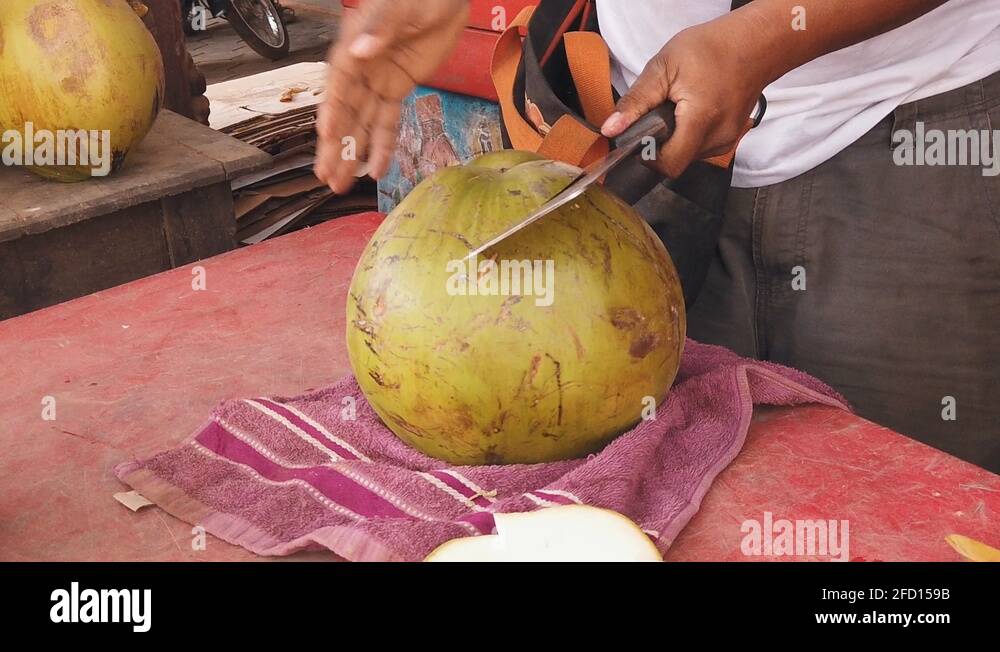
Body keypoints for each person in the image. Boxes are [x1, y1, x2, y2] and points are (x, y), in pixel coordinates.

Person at [314, 0, 1000, 472]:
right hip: (644, 125)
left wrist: (764, 37)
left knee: (900, 503)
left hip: (909, 118)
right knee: (685, 487)